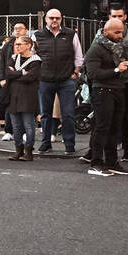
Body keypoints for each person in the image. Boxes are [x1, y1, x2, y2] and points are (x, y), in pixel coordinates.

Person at [84, 17, 128, 177]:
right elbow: (93, 74)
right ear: (105, 32)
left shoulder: (119, 48)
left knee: (115, 128)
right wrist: (116, 70)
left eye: (122, 32)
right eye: (117, 32)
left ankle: (112, 162)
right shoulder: (95, 49)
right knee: (102, 127)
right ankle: (96, 163)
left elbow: (119, 70)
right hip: (102, 92)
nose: (120, 35)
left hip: (118, 90)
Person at [35, 10, 83, 154]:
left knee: (68, 113)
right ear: (46, 19)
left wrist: (75, 73)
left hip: (66, 80)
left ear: (61, 19)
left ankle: (69, 144)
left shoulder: (70, 34)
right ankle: (45, 143)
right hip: (45, 80)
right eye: (51, 18)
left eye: (57, 18)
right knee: (45, 114)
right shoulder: (37, 35)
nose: (54, 20)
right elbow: (32, 56)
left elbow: (79, 56)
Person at [0, 34, 41, 161]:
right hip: (13, 96)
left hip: (28, 97)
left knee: (29, 125)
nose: (16, 46)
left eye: (19, 44)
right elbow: (8, 73)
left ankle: (29, 151)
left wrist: (15, 75)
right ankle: (18, 149)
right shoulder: (13, 57)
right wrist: (22, 73)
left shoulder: (36, 60)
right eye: (16, 44)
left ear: (28, 45)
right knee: (15, 125)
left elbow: (31, 77)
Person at [0, 23, 34, 140]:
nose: (17, 31)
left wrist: (20, 73)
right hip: (9, 81)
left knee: (24, 106)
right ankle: (8, 131)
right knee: (10, 106)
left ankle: (23, 133)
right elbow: (2, 63)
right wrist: (2, 78)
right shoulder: (8, 45)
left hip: (25, 83)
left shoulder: (30, 45)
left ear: (26, 30)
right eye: (15, 29)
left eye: (20, 29)